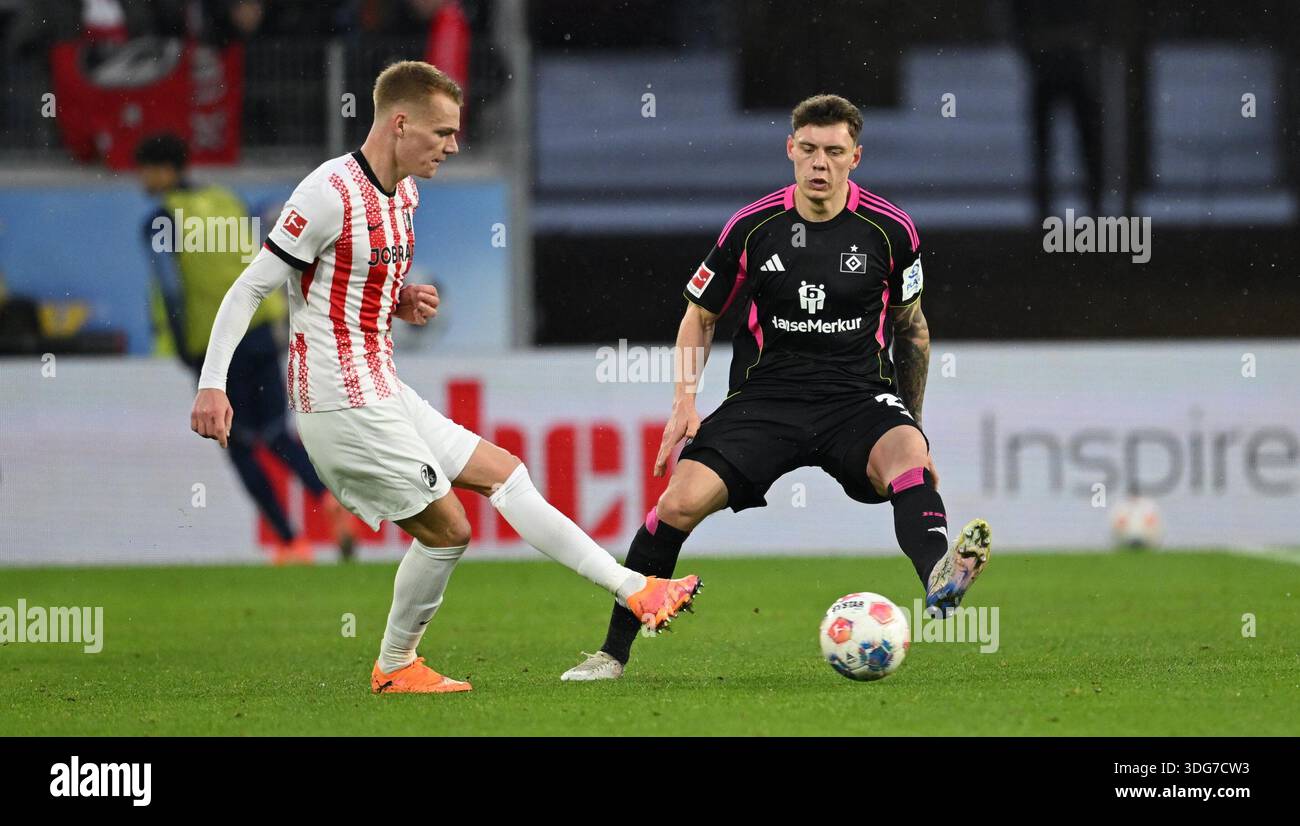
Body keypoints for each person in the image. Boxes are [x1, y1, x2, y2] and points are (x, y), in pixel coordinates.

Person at [189, 61, 700, 694]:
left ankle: (638, 590)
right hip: (338, 400)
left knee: (507, 474)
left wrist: (394, 298)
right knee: (449, 529)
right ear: (399, 123)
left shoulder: (404, 192)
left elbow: (342, 279)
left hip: (383, 386)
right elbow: (250, 290)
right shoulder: (326, 192)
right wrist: (214, 383)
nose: (453, 147)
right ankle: (396, 665)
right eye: (442, 133)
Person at [561, 94, 992, 682]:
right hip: (766, 400)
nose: (820, 163)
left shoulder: (892, 232)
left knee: (907, 458)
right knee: (675, 505)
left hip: (857, 397)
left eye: (834, 152)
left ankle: (939, 579)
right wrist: (684, 402)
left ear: (855, 157)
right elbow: (699, 314)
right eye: (809, 150)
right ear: (790, 149)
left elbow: (911, 328)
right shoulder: (752, 226)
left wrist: (912, 422)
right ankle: (612, 653)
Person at [137, 133, 353, 564]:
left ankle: (292, 542)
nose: (141, 178)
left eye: (145, 168)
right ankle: (323, 494)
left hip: (216, 339)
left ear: (163, 170)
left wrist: (183, 346)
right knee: (274, 431)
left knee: (234, 442)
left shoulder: (162, 219)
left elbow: (172, 289)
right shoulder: (226, 198)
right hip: (263, 325)